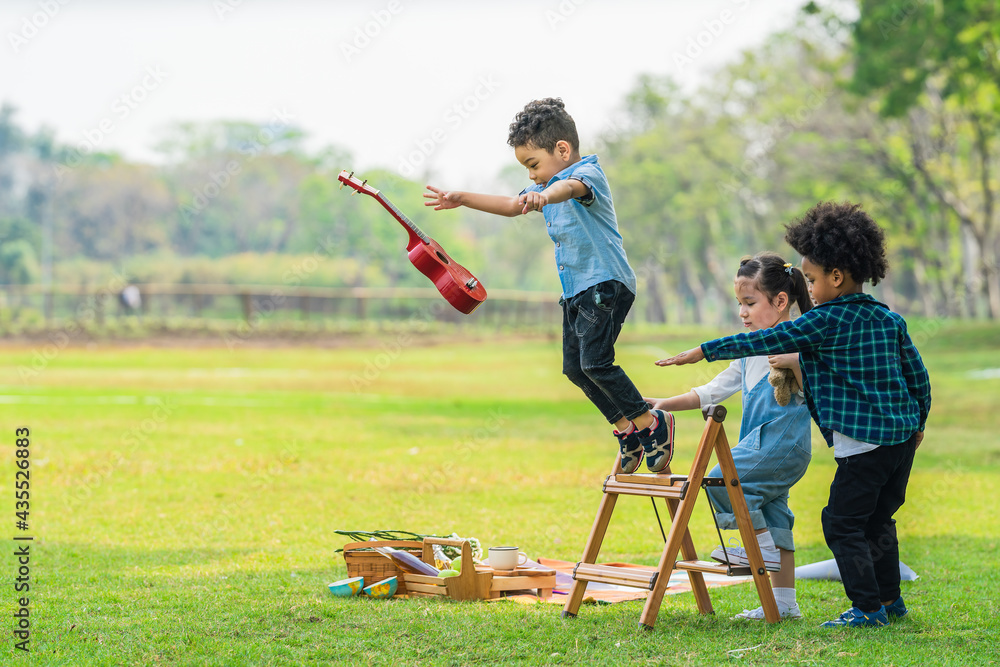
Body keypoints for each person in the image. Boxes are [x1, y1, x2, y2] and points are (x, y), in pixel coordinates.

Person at [658, 202, 931, 629]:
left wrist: (703, 351)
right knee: (879, 520)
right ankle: (890, 601)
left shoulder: (824, 321)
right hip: (899, 443)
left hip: (862, 445)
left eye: (813, 279)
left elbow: (775, 337)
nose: (811, 289)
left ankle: (868, 609)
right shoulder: (888, 318)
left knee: (841, 524)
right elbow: (918, 375)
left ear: (836, 277)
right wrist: (920, 424)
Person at [424, 97, 674, 473]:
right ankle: (626, 429)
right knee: (575, 368)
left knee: (596, 362)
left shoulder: (587, 175)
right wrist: (460, 198)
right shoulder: (544, 185)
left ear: (562, 149)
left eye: (533, 164)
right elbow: (512, 206)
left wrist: (546, 193)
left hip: (605, 284)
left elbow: (570, 189)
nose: (530, 176)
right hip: (577, 292)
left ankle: (651, 423)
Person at [645, 252, 813, 621]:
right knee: (776, 515)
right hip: (762, 444)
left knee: (720, 479)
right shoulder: (748, 352)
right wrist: (663, 403)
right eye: (740, 304)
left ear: (781, 301)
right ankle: (784, 603)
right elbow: (711, 391)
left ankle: (761, 551)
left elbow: (814, 391)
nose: (742, 313)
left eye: (750, 303)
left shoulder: (800, 341)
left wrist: (793, 362)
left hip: (782, 445)